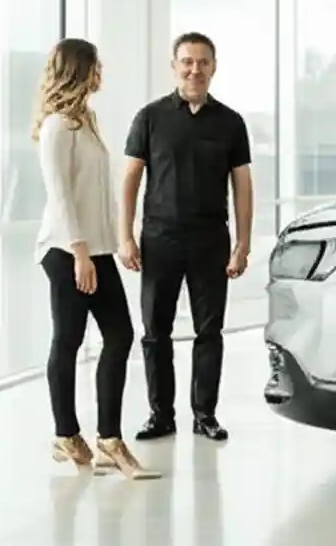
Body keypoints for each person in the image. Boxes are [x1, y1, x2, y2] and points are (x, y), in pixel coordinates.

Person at [32, 37, 159, 480]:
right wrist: (80, 253)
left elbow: (95, 195)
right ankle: (66, 434)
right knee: (68, 340)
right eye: (95, 65)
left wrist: (111, 242)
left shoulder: (84, 121)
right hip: (67, 250)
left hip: (96, 249)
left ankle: (108, 441)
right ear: (79, 70)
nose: (100, 71)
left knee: (120, 335)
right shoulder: (56, 127)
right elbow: (60, 196)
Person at [118, 31, 253, 442]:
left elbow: (242, 186)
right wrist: (125, 236)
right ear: (174, 66)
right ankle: (161, 415)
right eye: (187, 62)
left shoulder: (231, 122)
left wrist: (243, 244)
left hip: (211, 240)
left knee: (209, 332)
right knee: (154, 332)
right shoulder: (149, 117)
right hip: (159, 239)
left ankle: (204, 415)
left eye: (203, 62)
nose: (195, 69)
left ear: (214, 67)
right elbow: (130, 179)